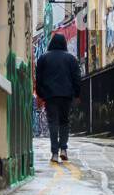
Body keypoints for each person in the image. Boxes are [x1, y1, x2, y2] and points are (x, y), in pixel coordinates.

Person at [35, 33, 81, 163]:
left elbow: (39, 79)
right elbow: (76, 78)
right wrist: (77, 94)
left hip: (50, 96)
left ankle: (54, 153)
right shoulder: (71, 59)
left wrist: (40, 94)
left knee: (53, 123)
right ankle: (64, 149)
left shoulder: (43, 58)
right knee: (64, 122)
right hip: (66, 95)